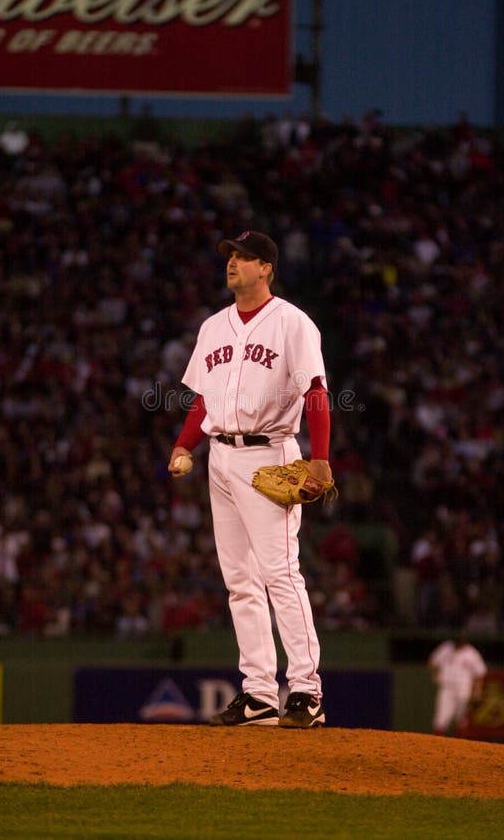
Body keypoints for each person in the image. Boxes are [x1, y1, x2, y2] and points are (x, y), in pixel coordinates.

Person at [167, 230, 333, 728]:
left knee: (280, 574)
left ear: (266, 267)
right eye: (230, 257)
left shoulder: (293, 323)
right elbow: (204, 400)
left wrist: (320, 459)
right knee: (240, 580)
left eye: (243, 257)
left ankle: (306, 691)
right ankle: (259, 693)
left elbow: (316, 391)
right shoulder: (213, 327)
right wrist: (184, 443)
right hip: (219, 456)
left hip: (269, 456)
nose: (232, 264)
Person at [428, 632, 487, 735]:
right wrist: (435, 674)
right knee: (441, 716)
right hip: (447, 686)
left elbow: (480, 673)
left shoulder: (471, 653)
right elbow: (432, 661)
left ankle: (461, 746)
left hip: (463, 687)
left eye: (461, 642)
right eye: (457, 642)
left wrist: (477, 691)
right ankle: (436, 744)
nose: (459, 644)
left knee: (461, 716)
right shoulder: (447, 647)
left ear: (465, 642)